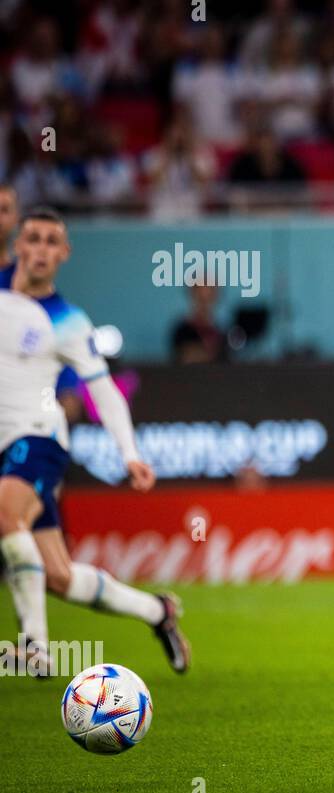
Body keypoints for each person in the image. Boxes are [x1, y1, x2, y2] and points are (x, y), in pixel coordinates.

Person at [0, 208, 189, 676]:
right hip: (6, 445)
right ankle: (157, 611)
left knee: (5, 515)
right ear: (18, 245)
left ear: (64, 254)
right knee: (57, 576)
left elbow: (103, 391)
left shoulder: (68, 322)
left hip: (38, 438)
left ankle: (34, 647)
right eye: (34, 239)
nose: (41, 249)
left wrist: (130, 453)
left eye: (51, 242)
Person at [170, 282, 228, 364]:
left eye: (210, 297)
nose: (205, 303)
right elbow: (186, 357)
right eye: (201, 298)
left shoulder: (221, 333)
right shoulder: (182, 331)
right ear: (192, 296)